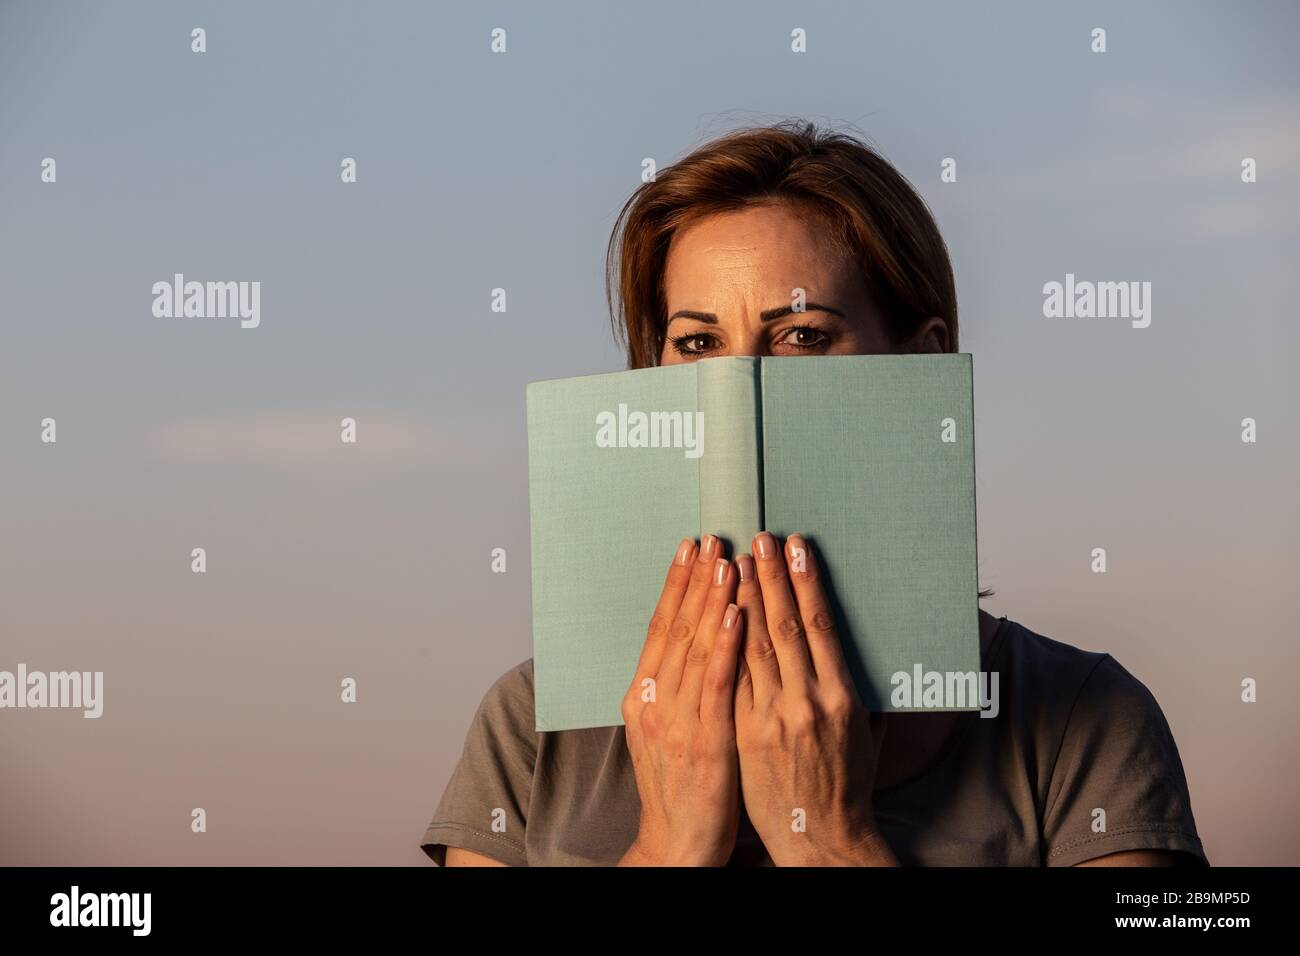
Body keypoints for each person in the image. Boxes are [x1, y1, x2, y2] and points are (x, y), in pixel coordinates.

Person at [422, 120, 1207, 866]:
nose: (735, 383)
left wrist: (828, 840)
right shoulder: (528, 727)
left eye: (802, 335)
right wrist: (666, 847)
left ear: (920, 368)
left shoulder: (1083, 718)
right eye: (695, 343)